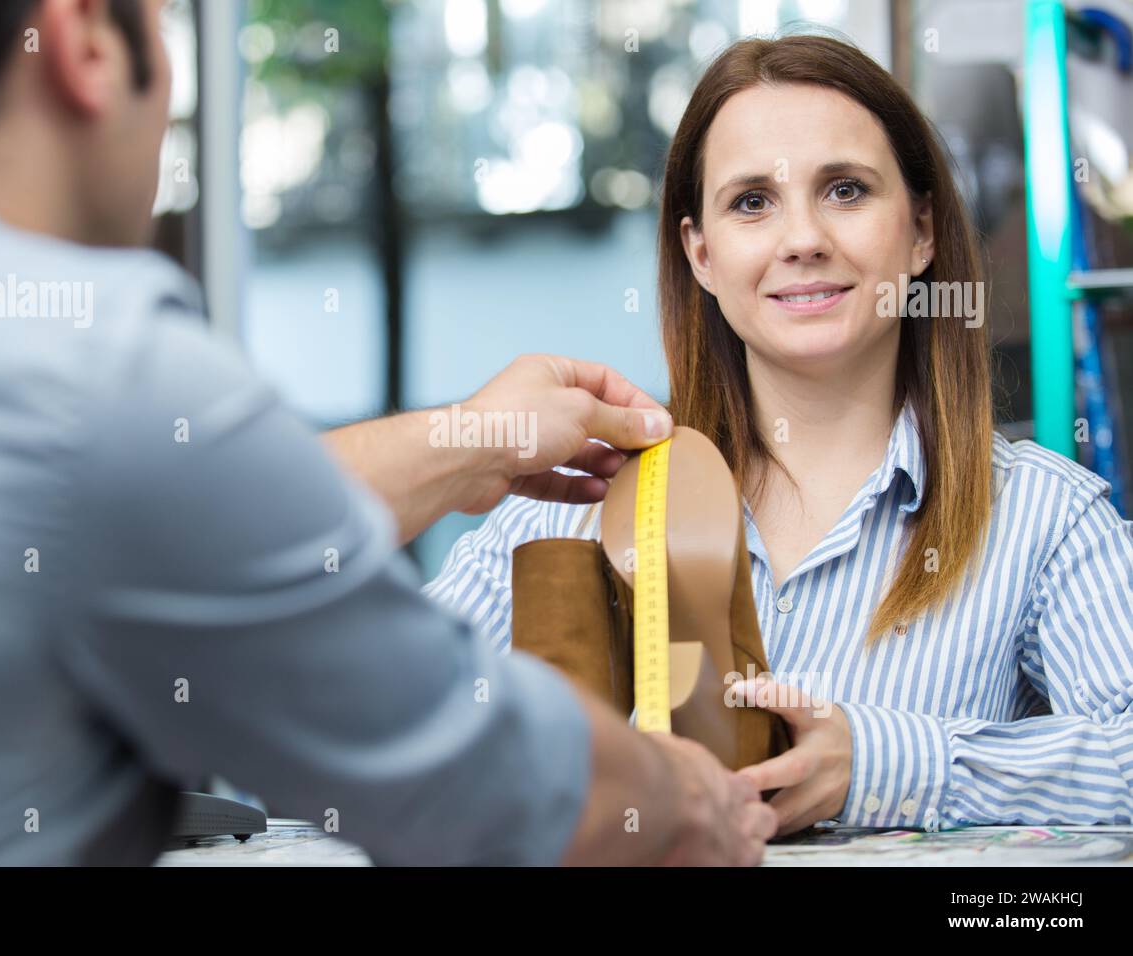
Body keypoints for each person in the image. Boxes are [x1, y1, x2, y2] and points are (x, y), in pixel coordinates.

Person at [0, 0, 777, 865]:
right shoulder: (97, 369)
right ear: (85, 41)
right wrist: (682, 789)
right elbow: (490, 778)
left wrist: (473, 439)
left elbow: (180, 523)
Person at [426, 33, 1133, 836]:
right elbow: (352, 727)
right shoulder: (570, 503)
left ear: (923, 231)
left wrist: (882, 764)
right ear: (700, 253)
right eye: (752, 202)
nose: (803, 239)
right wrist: (456, 450)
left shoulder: (1045, 519)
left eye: (846, 190)